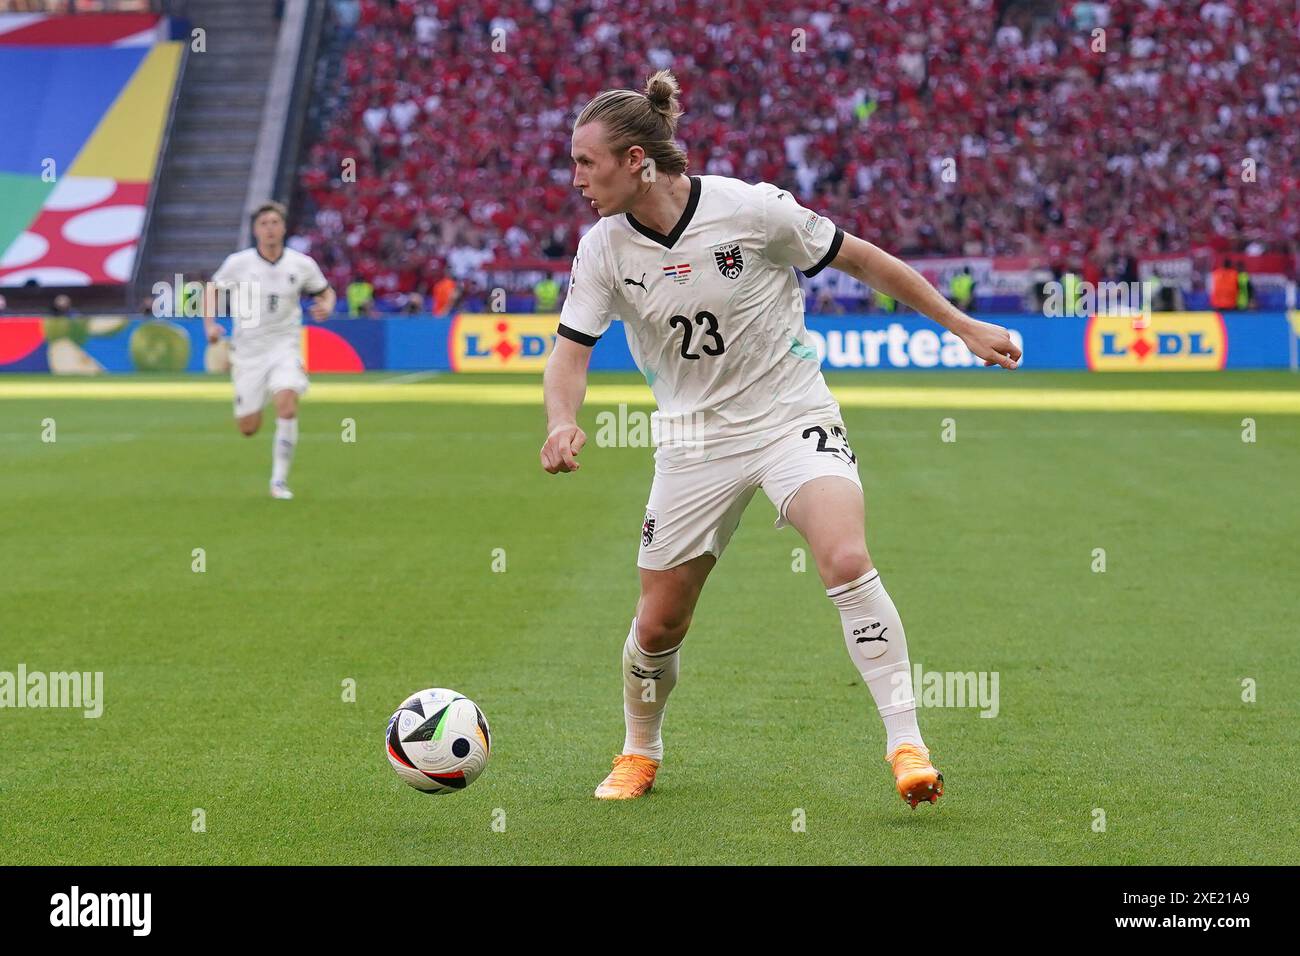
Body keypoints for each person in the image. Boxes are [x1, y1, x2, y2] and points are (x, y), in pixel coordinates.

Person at [540, 72, 1019, 807]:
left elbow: (863, 260)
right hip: (693, 441)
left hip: (790, 416)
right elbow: (570, 353)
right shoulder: (603, 249)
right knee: (660, 621)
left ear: (636, 161)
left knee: (846, 556)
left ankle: (907, 744)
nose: (575, 178)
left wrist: (962, 325)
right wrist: (560, 420)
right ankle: (640, 749)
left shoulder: (751, 209)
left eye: (585, 162)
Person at [203, 201, 335, 500]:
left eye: (275, 222)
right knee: (248, 427)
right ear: (255, 230)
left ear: (284, 227)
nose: (270, 229)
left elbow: (325, 291)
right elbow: (212, 289)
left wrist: (326, 305)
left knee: (287, 405)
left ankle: (279, 481)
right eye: (264, 224)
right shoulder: (239, 263)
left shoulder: (301, 264)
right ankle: (260, 393)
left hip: (284, 346)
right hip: (248, 352)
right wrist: (209, 325)